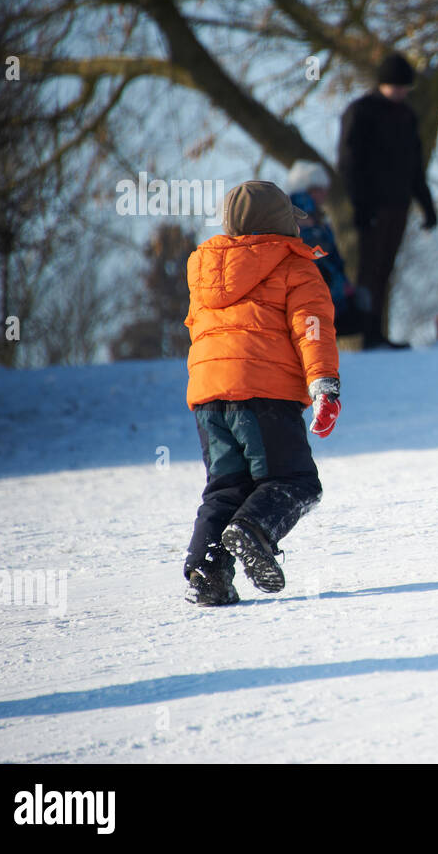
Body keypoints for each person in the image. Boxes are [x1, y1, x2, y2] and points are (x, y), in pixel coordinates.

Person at [183, 181, 341, 605]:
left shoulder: (204, 271)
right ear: (283, 224)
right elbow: (313, 328)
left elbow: (198, 331)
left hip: (207, 398)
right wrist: (323, 383)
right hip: (264, 393)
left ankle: (208, 571)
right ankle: (253, 530)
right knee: (295, 480)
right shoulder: (294, 265)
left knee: (226, 488)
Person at [337, 52, 437, 349]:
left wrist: (426, 204)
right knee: (369, 269)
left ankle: (378, 332)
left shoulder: (407, 115)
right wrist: (360, 205)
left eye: (406, 88)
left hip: (399, 202)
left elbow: (415, 165)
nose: (402, 92)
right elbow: (349, 162)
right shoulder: (360, 112)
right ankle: (368, 332)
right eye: (398, 86)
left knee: (385, 269)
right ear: (384, 84)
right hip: (371, 205)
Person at [285, 160, 364, 337]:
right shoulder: (297, 218)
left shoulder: (319, 221)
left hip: (325, 289)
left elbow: (332, 257)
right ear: (309, 189)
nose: (325, 194)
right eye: (321, 189)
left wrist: (345, 287)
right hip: (312, 293)